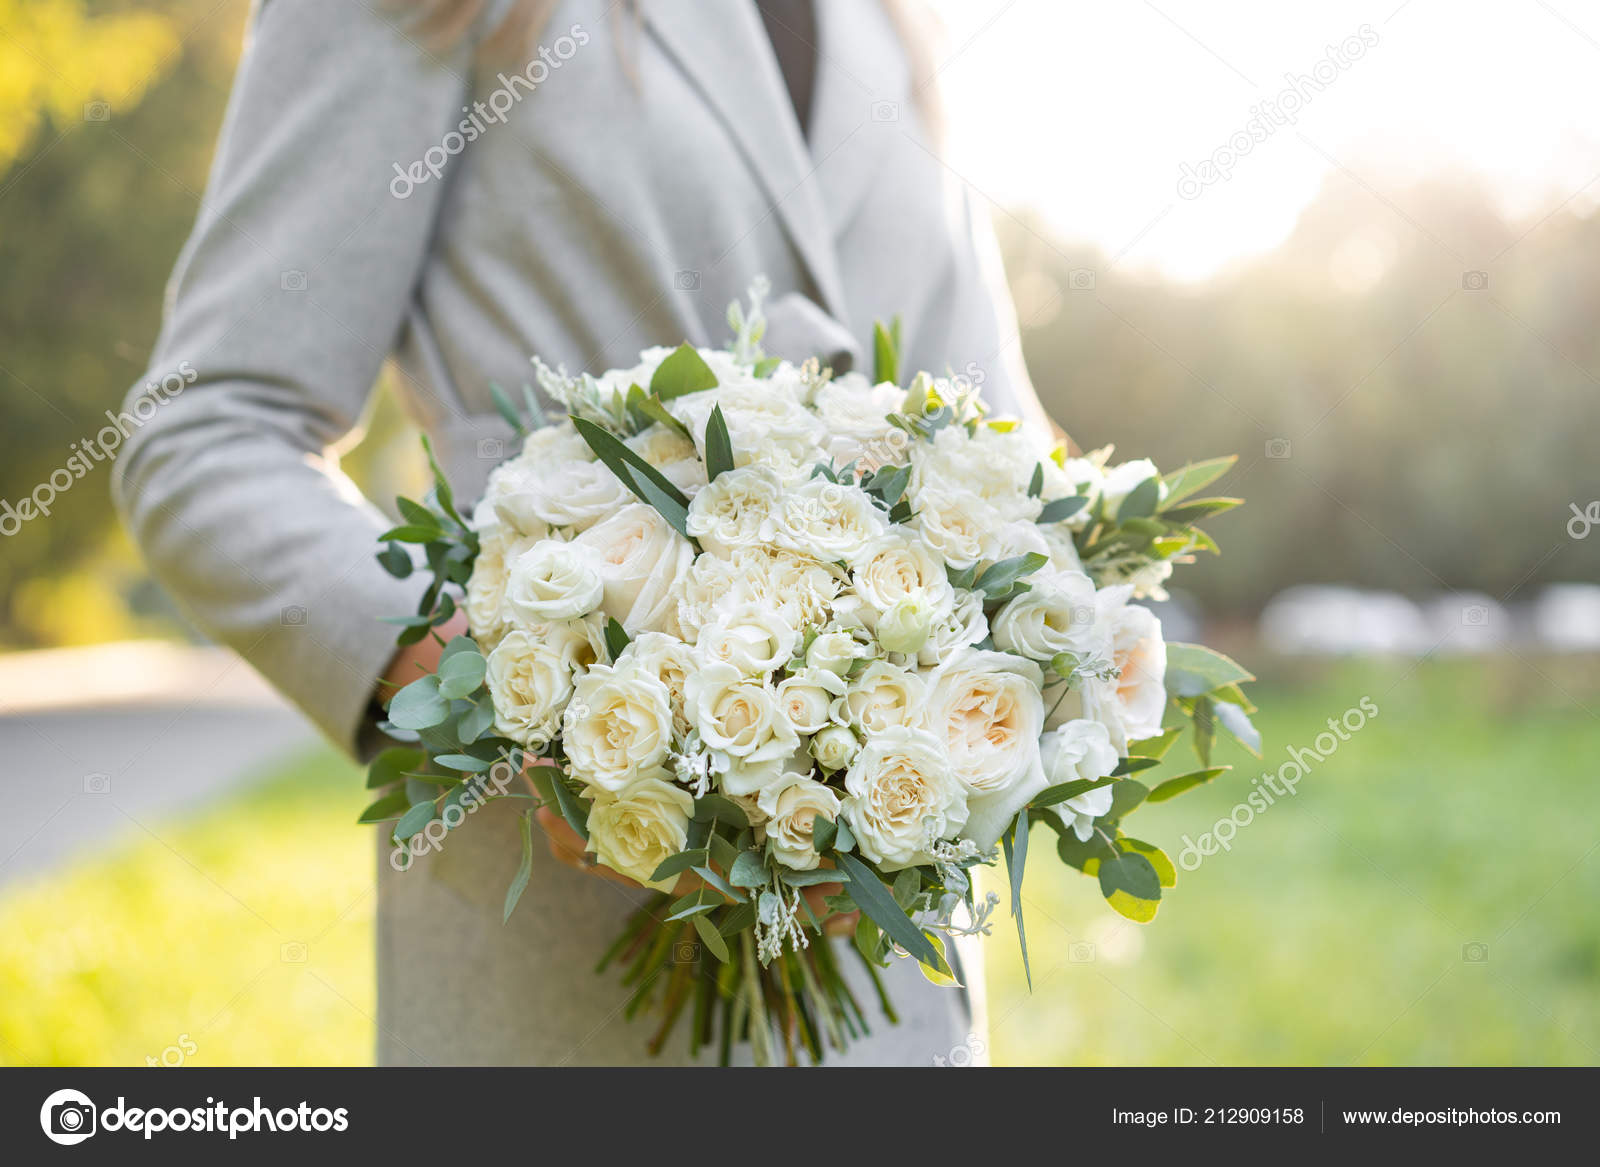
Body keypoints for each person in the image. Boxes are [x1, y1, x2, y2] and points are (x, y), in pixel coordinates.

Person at [114, 0, 1051, 1065]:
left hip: (897, 1009)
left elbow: (1009, 461)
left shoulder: (894, 26)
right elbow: (206, 435)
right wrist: (517, 708)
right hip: (567, 983)